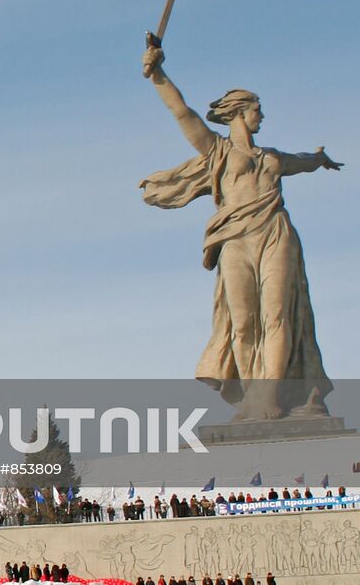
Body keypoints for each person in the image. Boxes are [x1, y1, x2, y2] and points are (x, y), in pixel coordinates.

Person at [140, 42, 341, 419]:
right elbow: (182, 112)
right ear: (239, 112)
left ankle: (270, 397)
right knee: (243, 322)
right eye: (257, 110)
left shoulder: (272, 158)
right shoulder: (218, 151)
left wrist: (320, 158)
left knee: (277, 315)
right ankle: (252, 395)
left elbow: (304, 161)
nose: (262, 116)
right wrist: (157, 74)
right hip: (234, 238)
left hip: (275, 233)